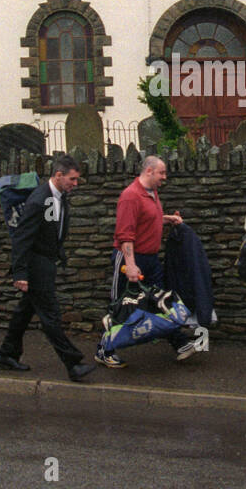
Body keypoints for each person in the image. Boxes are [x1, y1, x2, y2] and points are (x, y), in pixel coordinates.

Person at [0, 154, 96, 382]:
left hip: (46, 261)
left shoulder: (57, 195)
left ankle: (6, 355)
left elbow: (52, 228)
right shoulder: (39, 199)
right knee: (50, 315)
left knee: (25, 311)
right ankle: (73, 364)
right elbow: (22, 238)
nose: (75, 184)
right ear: (58, 175)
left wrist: (57, 253)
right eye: (72, 179)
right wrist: (20, 273)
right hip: (36, 265)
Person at [97, 155, 195, 367]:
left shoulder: (151, 193)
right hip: (130, 259)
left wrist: (166, 219)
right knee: (121, 306)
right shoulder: (130, 196)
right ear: (149, 171)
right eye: (162, 173)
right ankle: (105, 350)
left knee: (160, 301)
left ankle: (179, 343)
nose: (164, 177)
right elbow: (125, 235)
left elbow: (146, 218)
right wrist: (131, 265)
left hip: (150, 259)